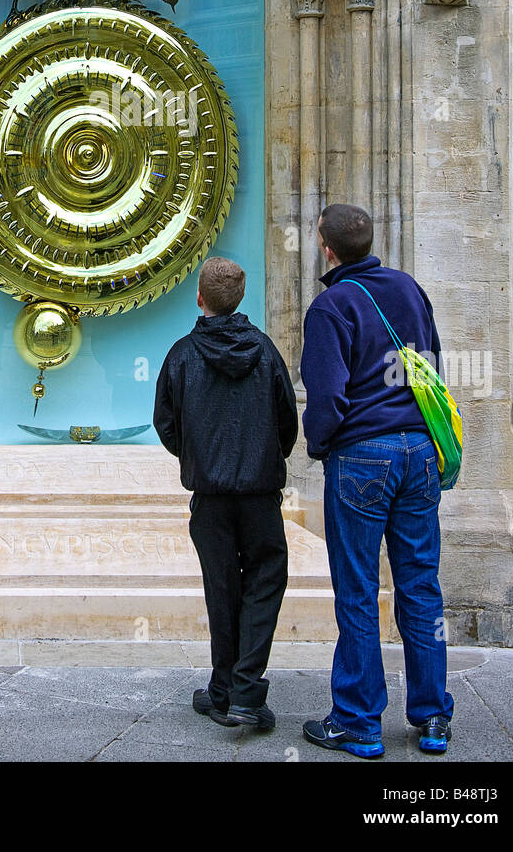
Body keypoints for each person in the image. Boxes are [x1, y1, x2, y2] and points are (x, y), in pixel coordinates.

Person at [300, 203, 454, 759]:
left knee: (360, 589)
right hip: (418, 451)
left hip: (362, 456)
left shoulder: (331, 305)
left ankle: (359, 721)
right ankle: (433, 715)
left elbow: (327, 397)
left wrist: (322, 443)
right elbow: (433, 362)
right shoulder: (409, 290)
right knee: (420, 584)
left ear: (327, 247)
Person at [153, 255, 298, 730]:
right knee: (263, 582)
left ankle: (228, 690)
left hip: (211, 494)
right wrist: (263, 459)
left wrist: (196, 458)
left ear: (200, 297)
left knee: (223, 587)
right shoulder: (264, 350)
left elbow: (167, 424)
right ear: (241, 298)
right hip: (258, 492)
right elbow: (286, 423)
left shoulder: (181, 355)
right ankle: (241, 690)